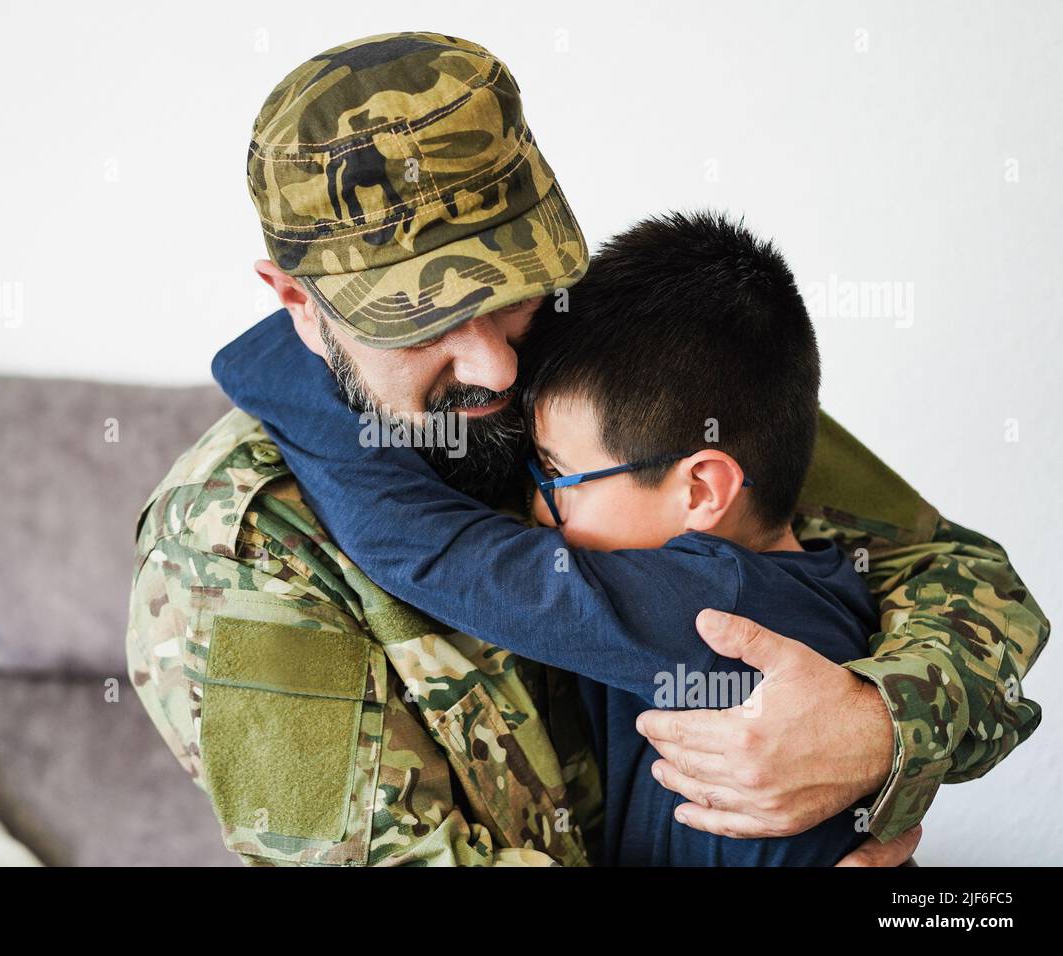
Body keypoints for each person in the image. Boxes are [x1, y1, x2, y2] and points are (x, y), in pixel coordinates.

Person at [125, 31, 1048, 866]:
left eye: (509, 290)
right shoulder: (234, 545)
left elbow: (960, 576)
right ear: (294, 301)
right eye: (423, 321)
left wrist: (878, 727)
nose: (492, 363)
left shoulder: (603, 369)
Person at [213, 210, 897, 865]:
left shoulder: (721, 617)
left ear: (700, 491)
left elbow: (433, 551)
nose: (537, 510)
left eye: (560, 476)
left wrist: (289, 356)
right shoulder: (816, 585)